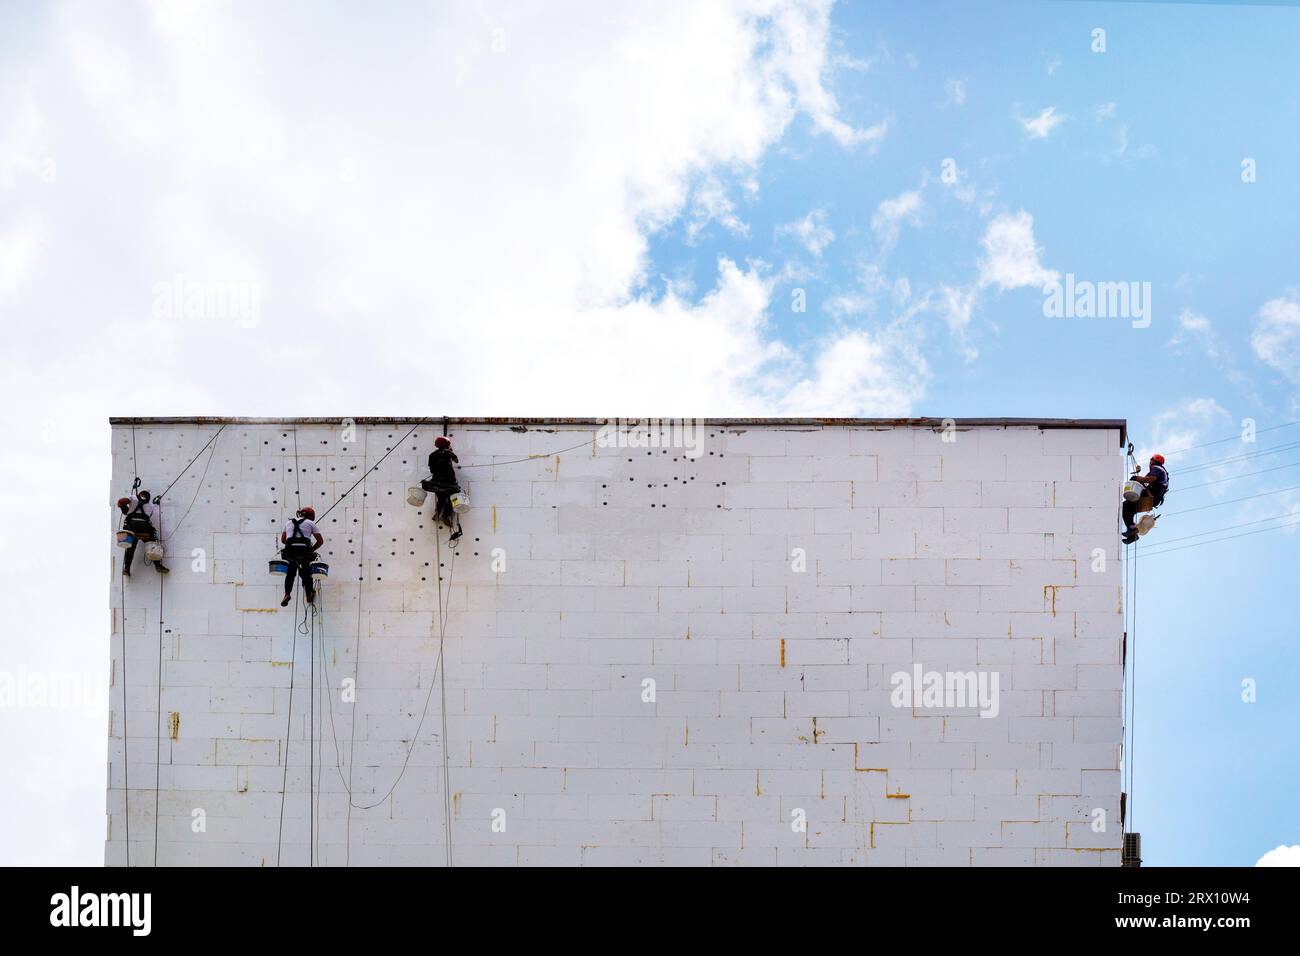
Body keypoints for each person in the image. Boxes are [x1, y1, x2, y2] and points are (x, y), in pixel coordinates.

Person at [117, 490, 170, 575]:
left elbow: (120, 502)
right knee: (153, 546)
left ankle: (126, 569)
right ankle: (158, 565)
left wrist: (125, 509)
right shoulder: (151, 506)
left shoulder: (133, 499)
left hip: (132, 530)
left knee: (130, 549)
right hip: (145, 530)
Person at [280, 506, 324, 606]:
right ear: (311, 516)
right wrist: (311, 550)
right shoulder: (311, 523)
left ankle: (287, 594)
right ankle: (309, 594)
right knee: (307, 572)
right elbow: (320, 541)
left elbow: (283, 540)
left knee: (291, 573)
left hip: (290, 551)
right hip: (304, 552)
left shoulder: (288, 523)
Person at [1122, 453, 1169, 544]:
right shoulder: (1161, 471)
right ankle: (1132, 533)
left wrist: (1136, 478)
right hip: (1154, 497)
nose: (1150, 462)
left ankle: (1132, 531)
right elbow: (1147, 480)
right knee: (1127, 508)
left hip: (1153, 494)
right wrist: (1140, 478)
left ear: (1153, 461)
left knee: (1127, 504)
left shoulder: (1156, 468)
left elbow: (1150, 479)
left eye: (1151, 460)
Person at [423, 436, 463, 540]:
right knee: (452, 497)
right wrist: (451, 453)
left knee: (440, 497)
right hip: (449, 481)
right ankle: (446, 515)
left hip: (437, 481)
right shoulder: (449, 453)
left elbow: (431, 470)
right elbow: (457, 460)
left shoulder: (432, 455)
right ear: (447, 445)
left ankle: (437, 513)